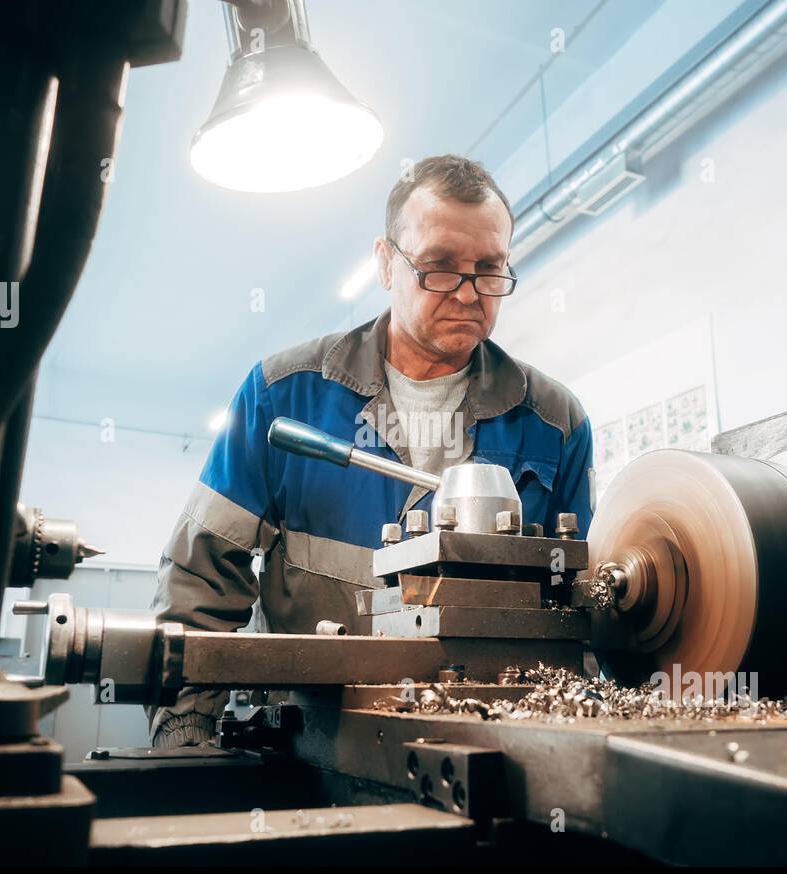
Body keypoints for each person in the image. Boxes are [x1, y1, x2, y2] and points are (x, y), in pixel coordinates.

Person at [149, 154, 593, 746]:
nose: (467, 293)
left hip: (491, 753)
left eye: (489, 269)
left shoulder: (553, 423)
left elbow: (583, 610)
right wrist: (183, 732)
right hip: (306, 746)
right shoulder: (282, 396)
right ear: (386, 262)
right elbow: (198, 582)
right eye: (438, 267)